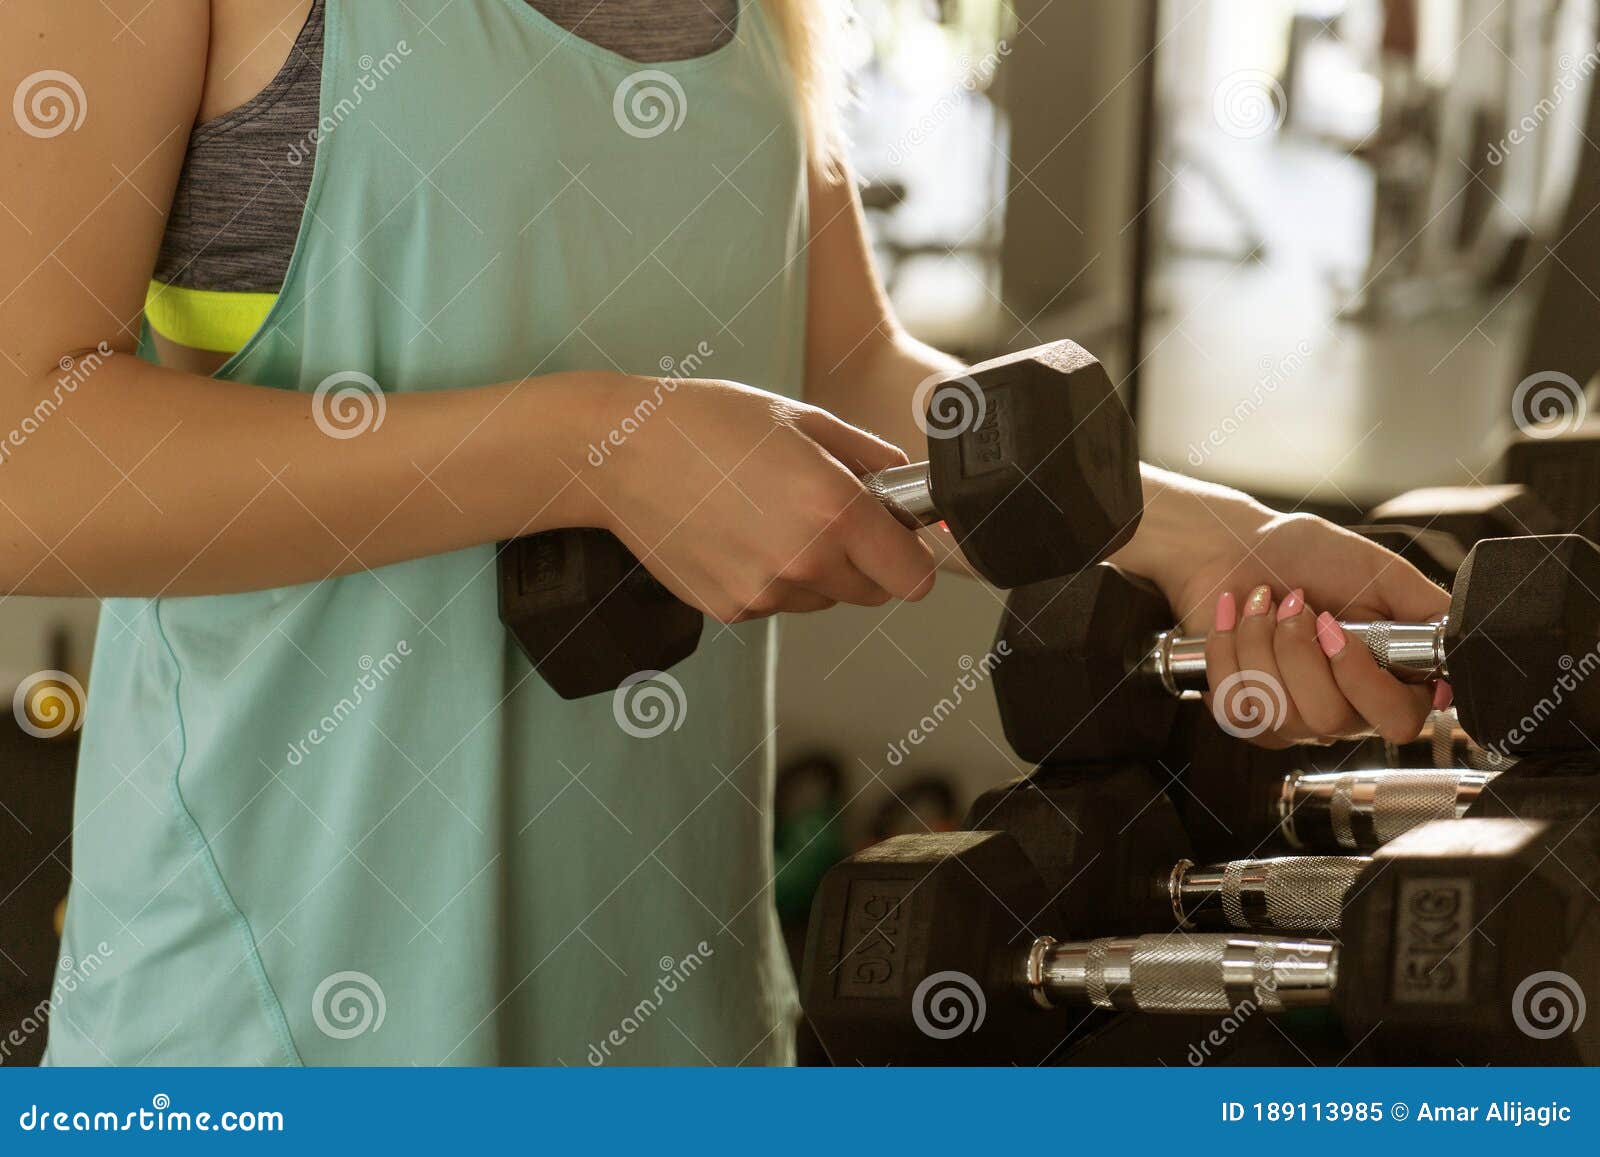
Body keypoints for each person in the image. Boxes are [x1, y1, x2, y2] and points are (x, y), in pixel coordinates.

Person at [1, 0, 1447, 1065]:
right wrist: (594, 446)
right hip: (270, 1022)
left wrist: (1186, 531)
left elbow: (842, 375)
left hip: (672, 1006)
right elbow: (24, 455)